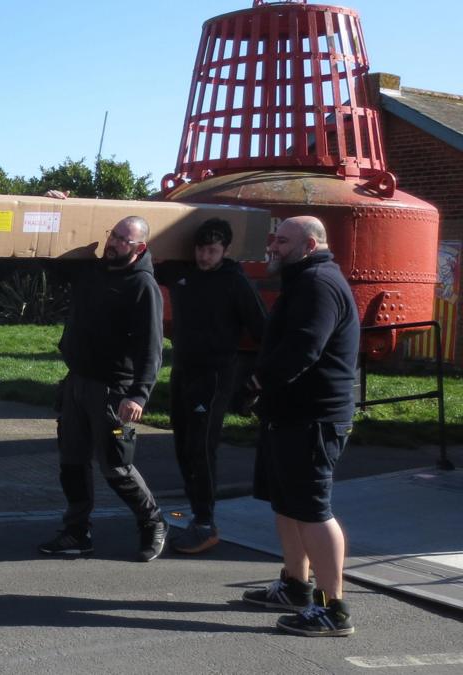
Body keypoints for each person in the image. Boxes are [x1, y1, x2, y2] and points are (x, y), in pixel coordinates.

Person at [241, 215, 359, 637]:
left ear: (310, 245)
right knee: (286, 503)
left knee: (311, 510)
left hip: (314, 417)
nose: (273, 245)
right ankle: (296, 586)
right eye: (274, 238)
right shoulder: (302, 279)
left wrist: (258, 380)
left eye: (283, 241)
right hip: (287, 414)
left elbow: (306, 346)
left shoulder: (318, 283)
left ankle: (333, 609)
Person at [38, 213, 169, 563]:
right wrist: (55, 210)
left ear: (139, 247)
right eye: (113, 235)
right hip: (77, 383)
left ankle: (152, 522)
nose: (112, 243)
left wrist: (139, 394)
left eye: (122, 240)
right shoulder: (94, 271)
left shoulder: (143, 286)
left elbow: (152, 348)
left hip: (114, 391)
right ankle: (77, 531)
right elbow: (48, 261)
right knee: (72, 462)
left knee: (116, 467)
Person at [155, 218, 268, 554]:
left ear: (226, 251)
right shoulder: (182, 272)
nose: (205, 257)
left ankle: (206, 522)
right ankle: (195, 514)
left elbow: (263, 329)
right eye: (201, 250)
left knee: (201, 448)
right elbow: (139, 261)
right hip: (183, 370)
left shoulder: (235, 281)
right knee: (181, 443)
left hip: (216, 374)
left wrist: (260, 376)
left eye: (212, 251)